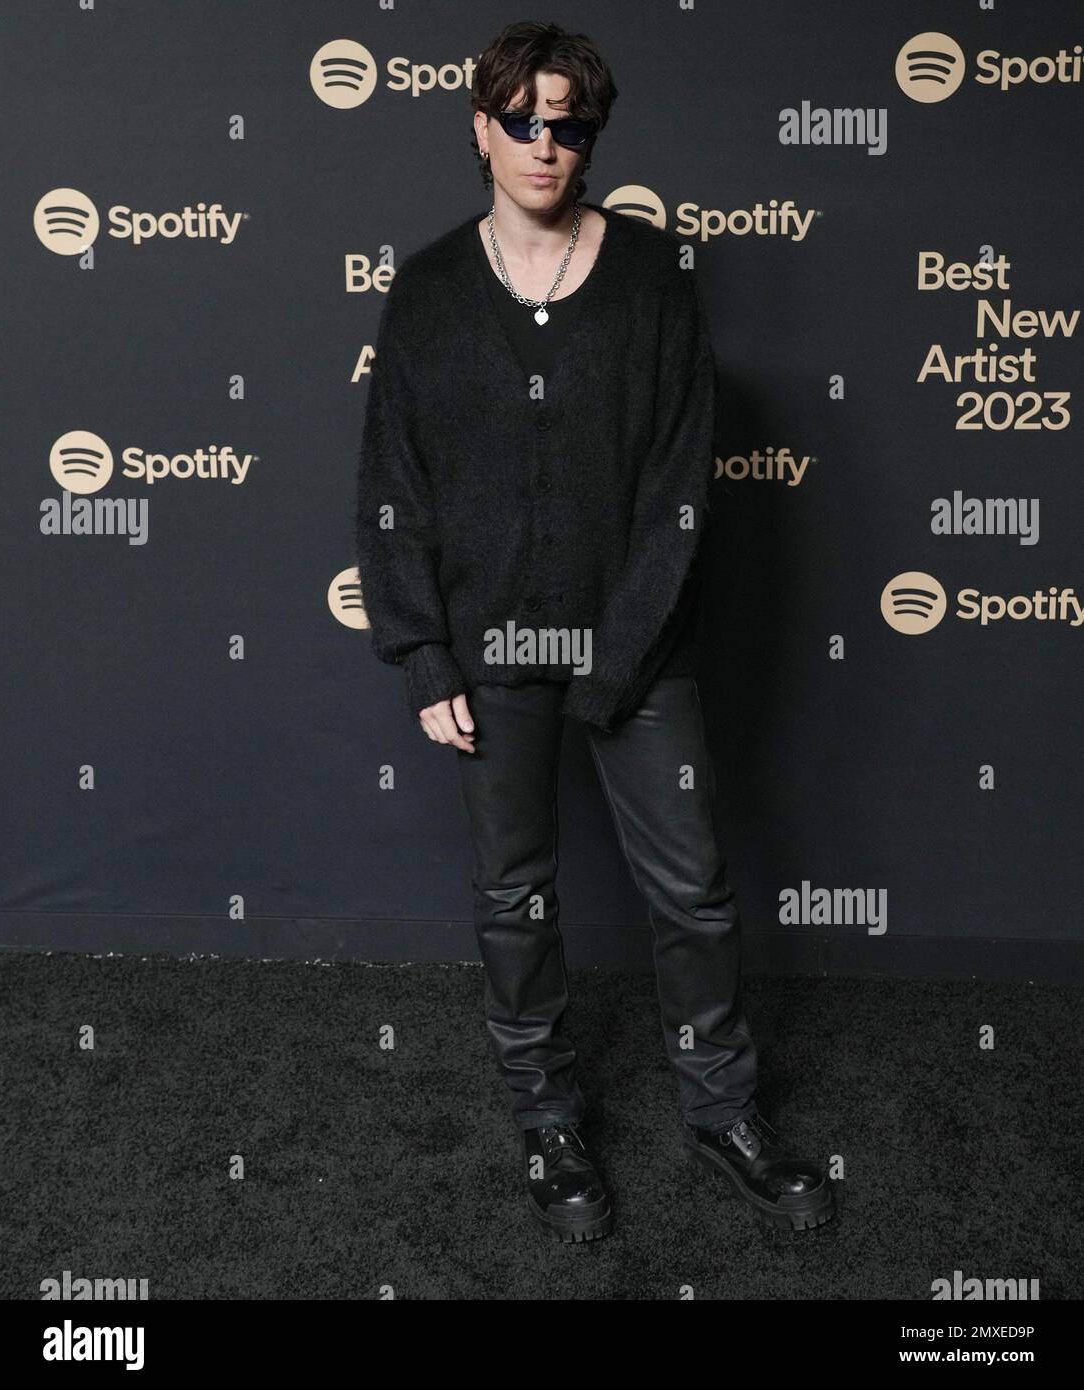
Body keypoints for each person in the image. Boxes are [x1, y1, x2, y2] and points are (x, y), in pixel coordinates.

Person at [354, 20, 836, 1241]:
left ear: (591, 136)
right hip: (482, 647)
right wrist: (420, 647)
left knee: (694, 895)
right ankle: (547, 1122)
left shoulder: (656, 276)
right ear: (480, 127)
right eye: (522, 119)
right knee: (515, 898)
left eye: (566, 123)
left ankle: (722, 1110)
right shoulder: (426, 289)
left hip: (638, 645)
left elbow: (682, 482)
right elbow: (391, 476)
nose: (544, 143)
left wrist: (617, 657)